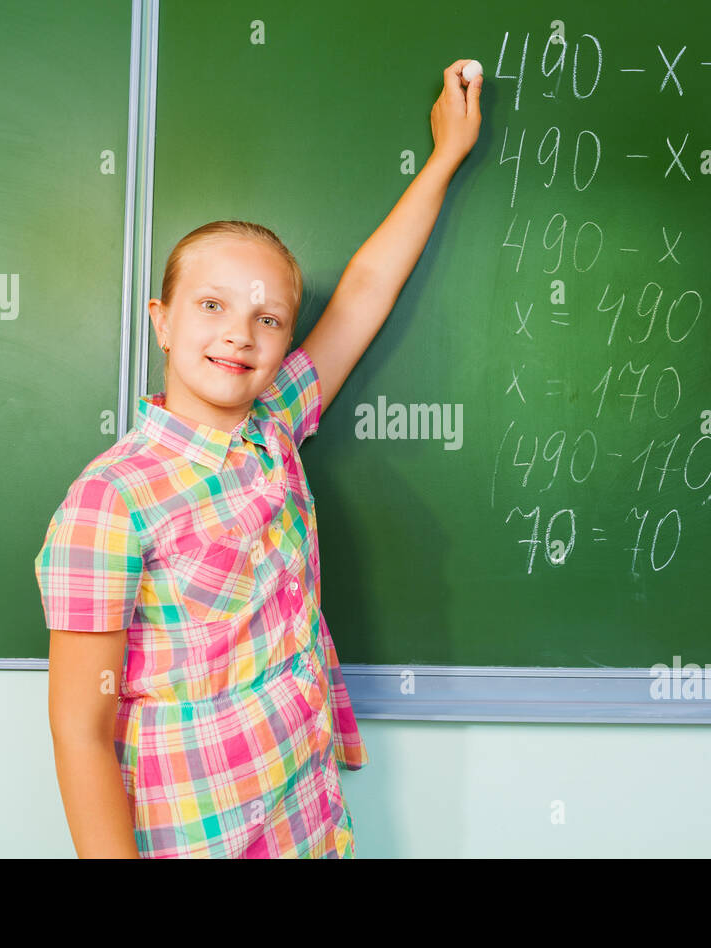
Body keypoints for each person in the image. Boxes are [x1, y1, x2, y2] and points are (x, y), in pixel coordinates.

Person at [33, 60, 482, 857]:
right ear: (162, 322)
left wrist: (445, 157)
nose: (240, 332)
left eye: (269, 318)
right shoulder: (112, 498)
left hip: (305, 818)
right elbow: (79, 732)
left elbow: (365, 291)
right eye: (212, 306)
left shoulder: (274, 426)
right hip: (196, 836)